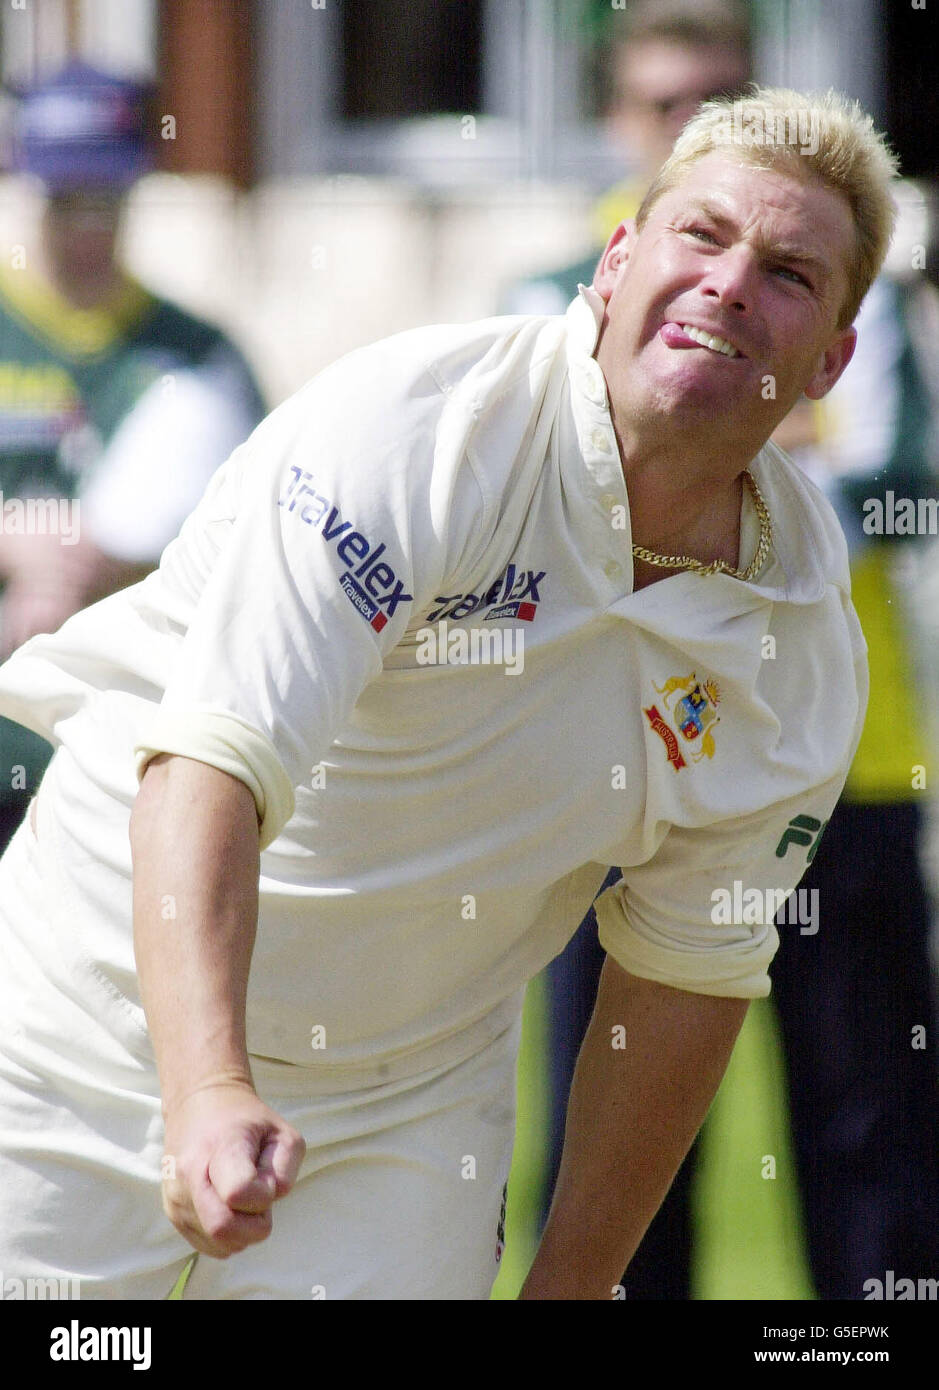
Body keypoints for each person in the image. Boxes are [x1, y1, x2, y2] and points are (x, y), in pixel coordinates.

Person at [0, 86, 897, 1300]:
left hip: (409, 1097)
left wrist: (571, 1284)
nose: (732, 282)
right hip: (91, 1004)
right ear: (615, 260)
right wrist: (207, 1091)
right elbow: (207, 768)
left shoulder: (799, 643)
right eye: (700, 235)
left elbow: (683, 979)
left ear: (832, 359)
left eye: (790, 272)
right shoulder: (422, 428)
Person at [504, 0, 752, 1296]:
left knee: (859, 1119)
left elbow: (883, 462)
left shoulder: (819, 274)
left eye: (718, 103)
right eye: (665, 107)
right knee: (590, 1091)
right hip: (590, 749)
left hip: (813, 757)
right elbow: (533, 484)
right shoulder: (550, 282)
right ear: (617, 120)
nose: (692, 133)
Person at [0, 60, 266, 852]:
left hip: (120, 760)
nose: (87, 227)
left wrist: (115, 560)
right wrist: (20, 544)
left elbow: (258, 542)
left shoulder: (198, 357)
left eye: (106, 201)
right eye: (64, 199)